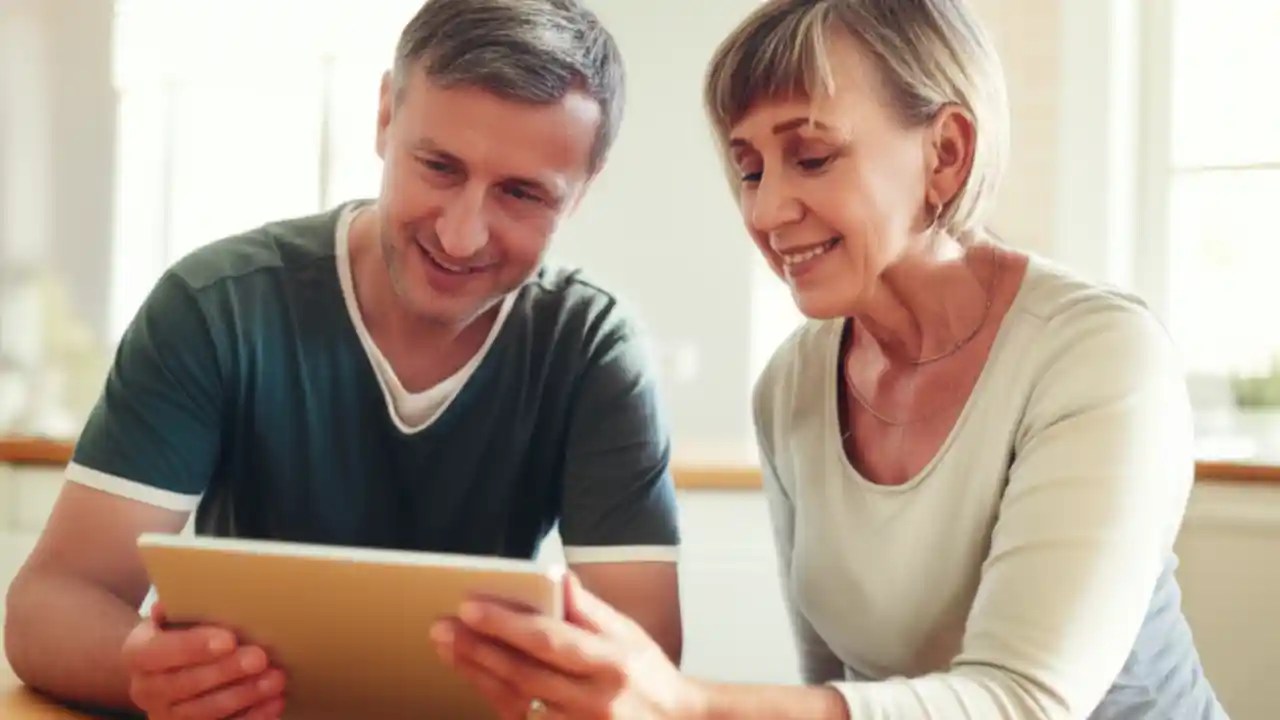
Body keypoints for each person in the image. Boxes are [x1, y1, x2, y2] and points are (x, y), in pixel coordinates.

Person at [429, 1, 1228, 718]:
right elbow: (836, 692)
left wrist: (688, 706)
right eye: (749, 168)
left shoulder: (1096, 356)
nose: (767, 210)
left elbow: (1025, 702)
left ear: (945, 153)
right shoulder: (794, 385)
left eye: (811, 156)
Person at [3, 1, 684, 718]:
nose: (460, 235)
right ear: (387, 115)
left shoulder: (592, 350)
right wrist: (144, 671)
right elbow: (49, 605)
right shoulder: (217, 307)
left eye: (521, 194)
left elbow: (643, 666)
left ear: (585, 189)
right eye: (439, 166)